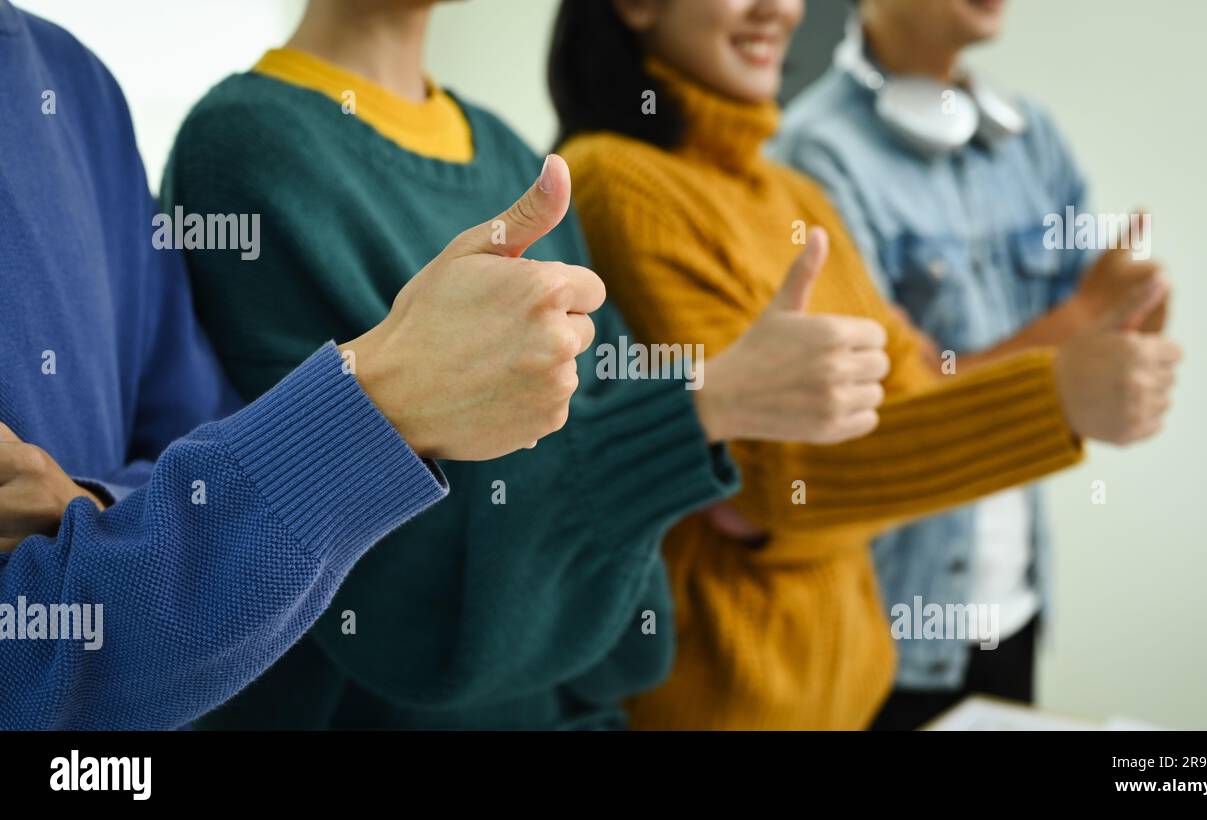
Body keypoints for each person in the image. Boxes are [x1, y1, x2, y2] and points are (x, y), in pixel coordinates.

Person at [162, 0, 884, 730]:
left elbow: (620, 607)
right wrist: (701, 406)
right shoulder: (247, 143)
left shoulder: (509, 156)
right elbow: (400, 604)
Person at [552, 0, 1180, 729]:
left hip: (845, 698)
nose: (779, 10)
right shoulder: (619, 184)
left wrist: (811, 495)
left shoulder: (794, 195)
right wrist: (1056, 398)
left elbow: (898, 413)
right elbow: (767, 482)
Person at [0, 0, 601, 729]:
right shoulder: (243, 139)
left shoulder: (70, 78)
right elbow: (413, 604)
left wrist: (100, 523)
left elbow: (191, 439)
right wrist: (380, 400)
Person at [772, 0, 1173, 729]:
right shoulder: (812, 155)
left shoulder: (1032, 140)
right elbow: (874, 408)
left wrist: (1121, 332)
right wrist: (1079, 321)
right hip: (884, 617)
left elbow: (1101, 337)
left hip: (1013, 598)